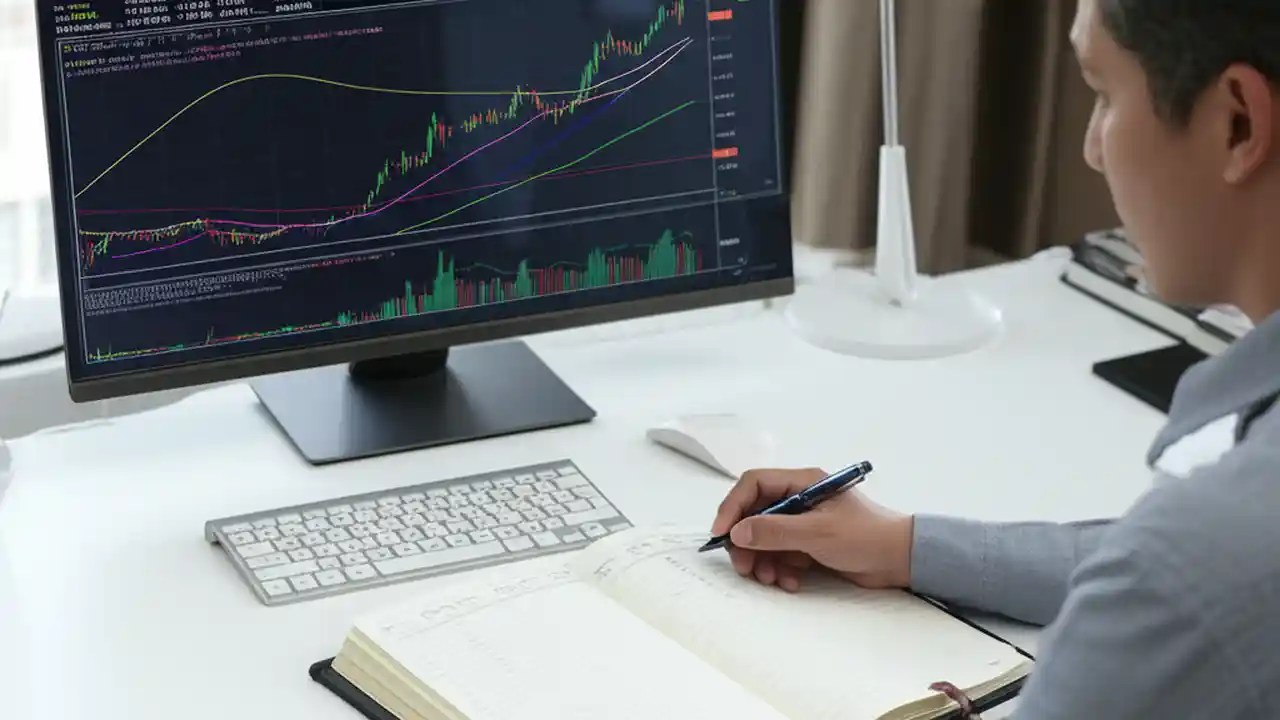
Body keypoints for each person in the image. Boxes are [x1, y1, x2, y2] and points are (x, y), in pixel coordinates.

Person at [711, 0, 1280, 717]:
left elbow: (1171, 582)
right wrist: (902, 546)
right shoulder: (1206, 555)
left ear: (1237, 124)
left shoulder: (1195, 569)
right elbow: (1152, 570)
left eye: (1104, 94)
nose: (1092, 149)